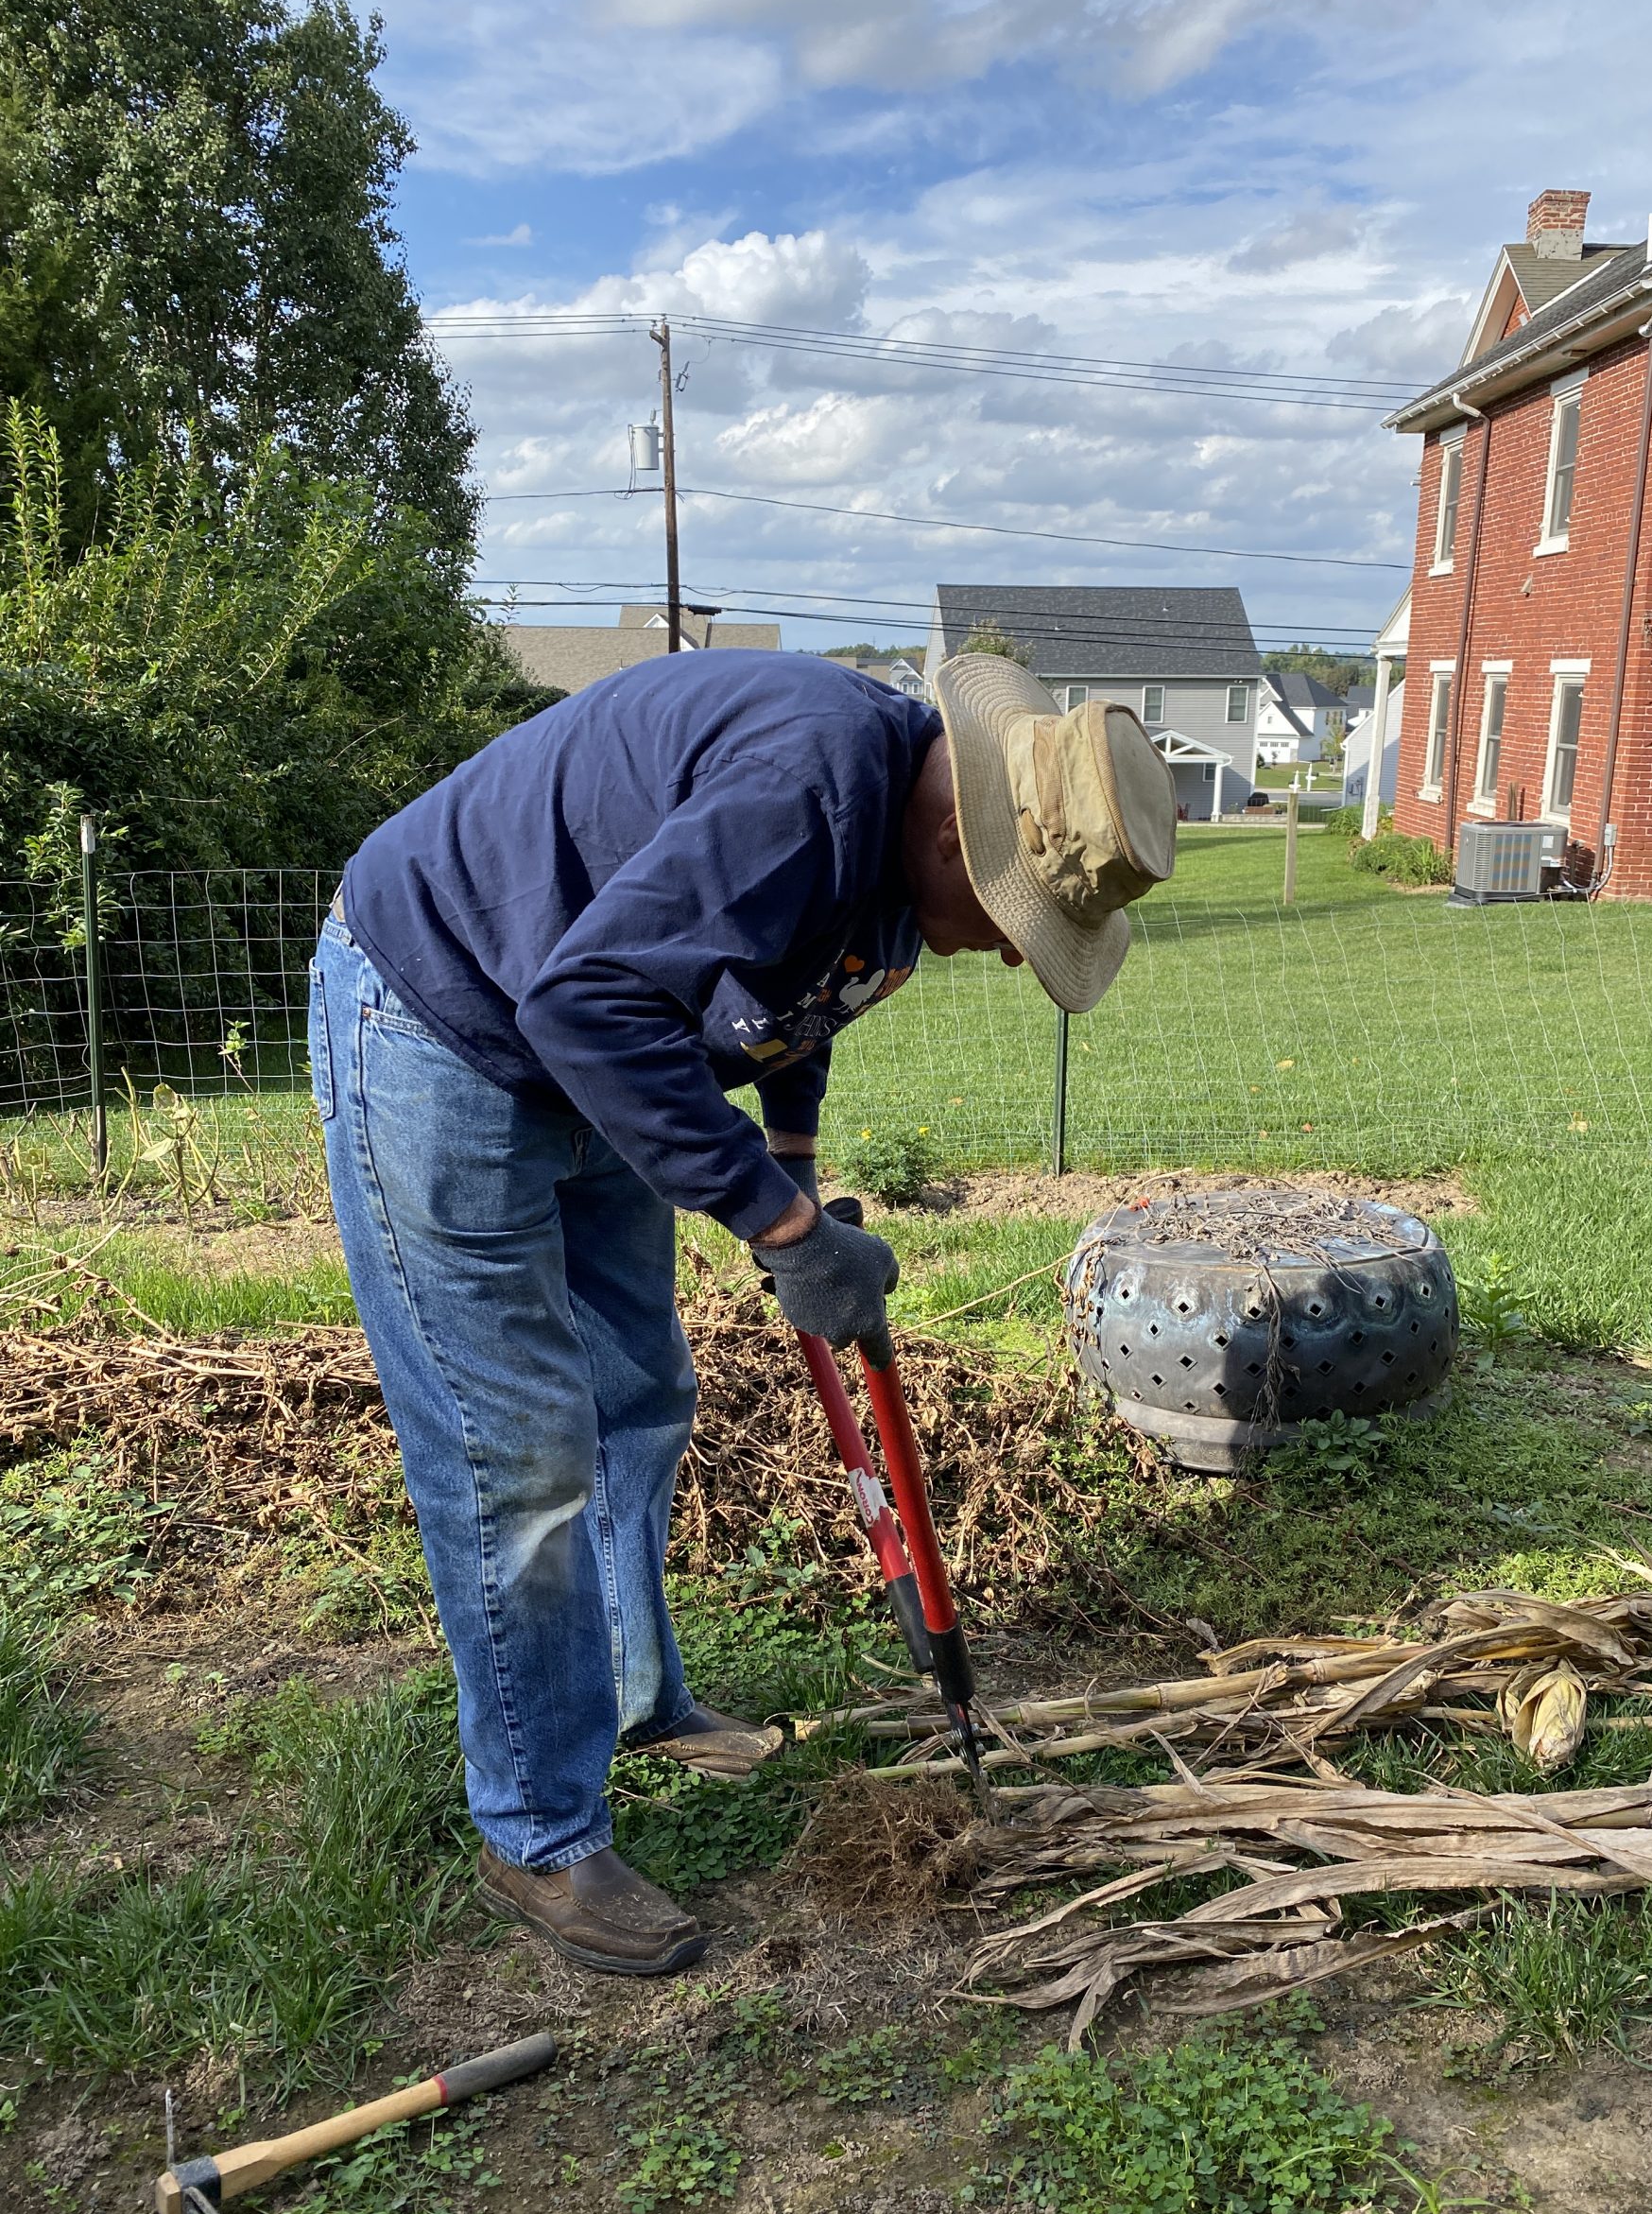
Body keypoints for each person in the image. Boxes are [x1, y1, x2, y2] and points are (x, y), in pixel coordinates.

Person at [310, 647, 1175, 1976]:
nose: (1012, 956)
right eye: (1013, 917)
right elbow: (581, 1001)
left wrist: (799, 1177)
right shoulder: (808, 794)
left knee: (640, 1395)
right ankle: (537, 1829)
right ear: (958, 831)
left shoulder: (890, 845)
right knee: (522, 1453)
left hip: (608, 1047)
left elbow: (792, 992)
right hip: (455, 1019)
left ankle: (641, 1704)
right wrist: (773, 1226)